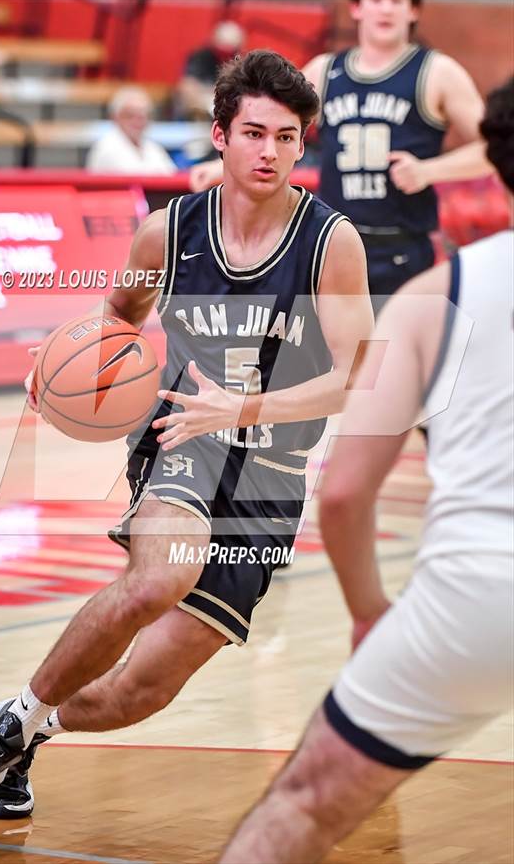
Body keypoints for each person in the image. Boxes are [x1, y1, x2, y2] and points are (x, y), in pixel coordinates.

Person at [0, 49, 373, 819]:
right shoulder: (169, 231)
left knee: (143, 689)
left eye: (287, 137)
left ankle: (28, 731)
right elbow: (119, 317)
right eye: (255, 133)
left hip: (269, 473)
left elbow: (354, 375)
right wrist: (70, 350)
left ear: (303, 144)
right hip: (181, 441)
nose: (270, 151)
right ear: (220, 135)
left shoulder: (331, 241)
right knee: (159, 577)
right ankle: (2, 729)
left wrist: (244, 408)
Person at [220, 75, 514, 864]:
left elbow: (345, 491)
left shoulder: (438, 289)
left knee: (304, 807)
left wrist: (367, 607)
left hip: (481, 598)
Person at [191, 0, 494, 305]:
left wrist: (429, 171)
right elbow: (268, 124)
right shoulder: (325, 70)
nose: (386, 9)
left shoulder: (438, 71)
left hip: (401, 248)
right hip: (330, 240)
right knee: (314, 349)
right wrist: (220, 168)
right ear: (356, 8)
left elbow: (495, 147)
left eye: (396, 1)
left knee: (386, 350)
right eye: (376, 0)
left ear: (414, 10)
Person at [86, 85, 177, 176]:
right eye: (130, 115)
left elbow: (172, 175)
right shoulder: (106, 147)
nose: (137, 121)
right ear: (115, 117)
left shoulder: (152, 147)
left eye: (143, 116)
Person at [177, 20, 245, 119]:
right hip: (199, 110)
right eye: (223, 48)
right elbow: (187, 86)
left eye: (230, 49)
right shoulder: (200, 57)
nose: (226, 55)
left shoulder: (241, 60)